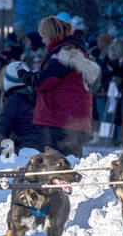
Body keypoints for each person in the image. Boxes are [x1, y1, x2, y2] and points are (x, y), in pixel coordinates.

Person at [28, 15, 100, 157]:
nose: (42, 41)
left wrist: (25, 75)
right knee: (73, 158)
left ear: (50, 35)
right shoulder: (78, 51)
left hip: (59, 117)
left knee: (56, 161)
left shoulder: (62, 55)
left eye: (44, 36)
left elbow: (43, 81)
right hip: (77, 116)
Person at [0, 60, 45, 154]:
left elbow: (2, 133)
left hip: (24, 151)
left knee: (8, 138)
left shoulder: (12, 101)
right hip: (48, 149)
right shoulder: (41, 96)